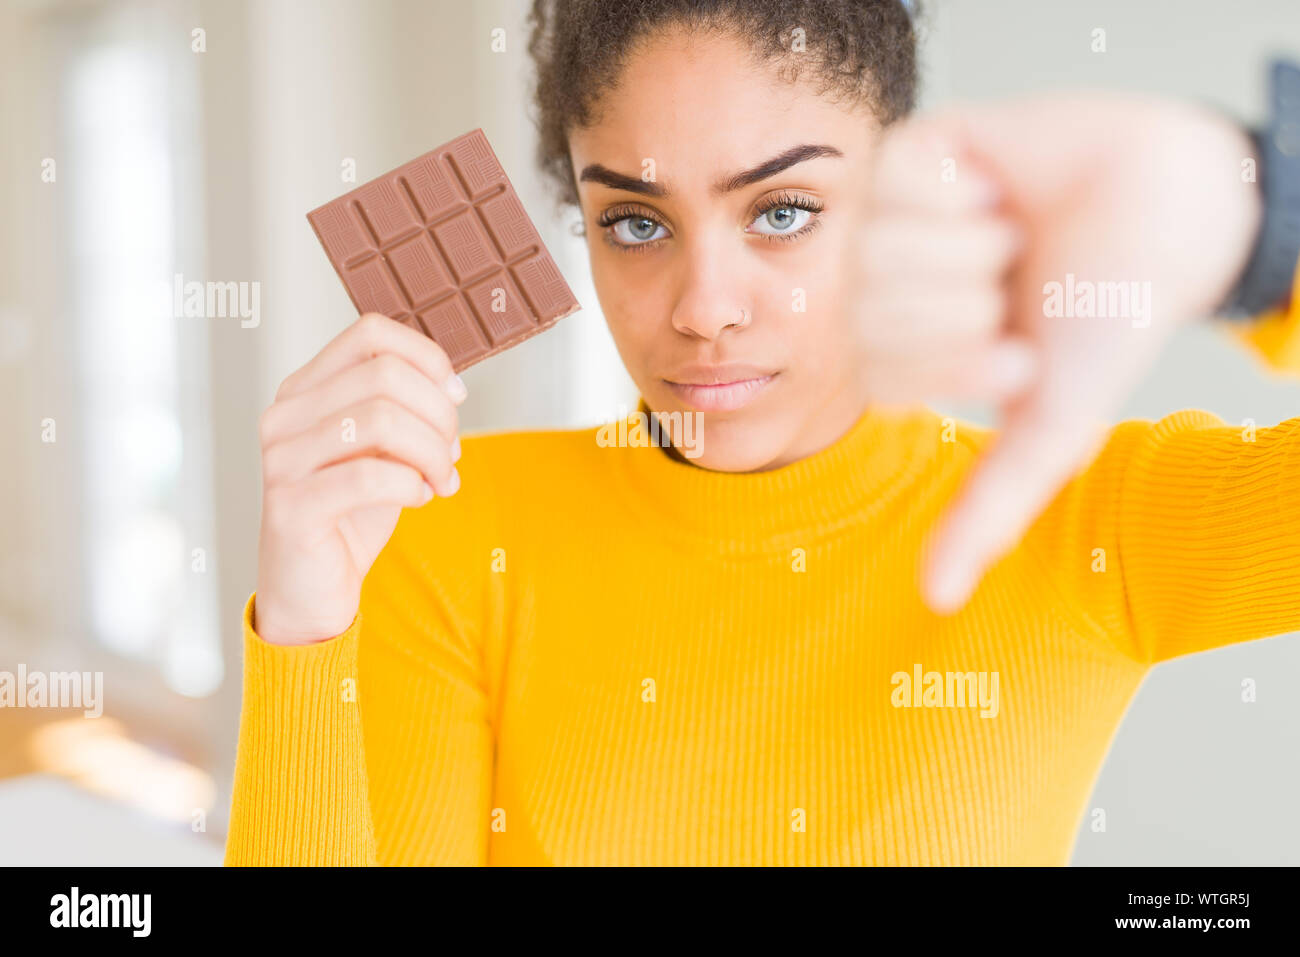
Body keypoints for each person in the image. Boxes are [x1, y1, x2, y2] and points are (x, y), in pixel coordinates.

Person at [225, 0, 1300, 865]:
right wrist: (306, 635)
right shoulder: (448, 531)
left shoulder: (1084, 523)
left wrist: (1259, 214)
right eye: (635, 224)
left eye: (782, 210)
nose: (702, 307)